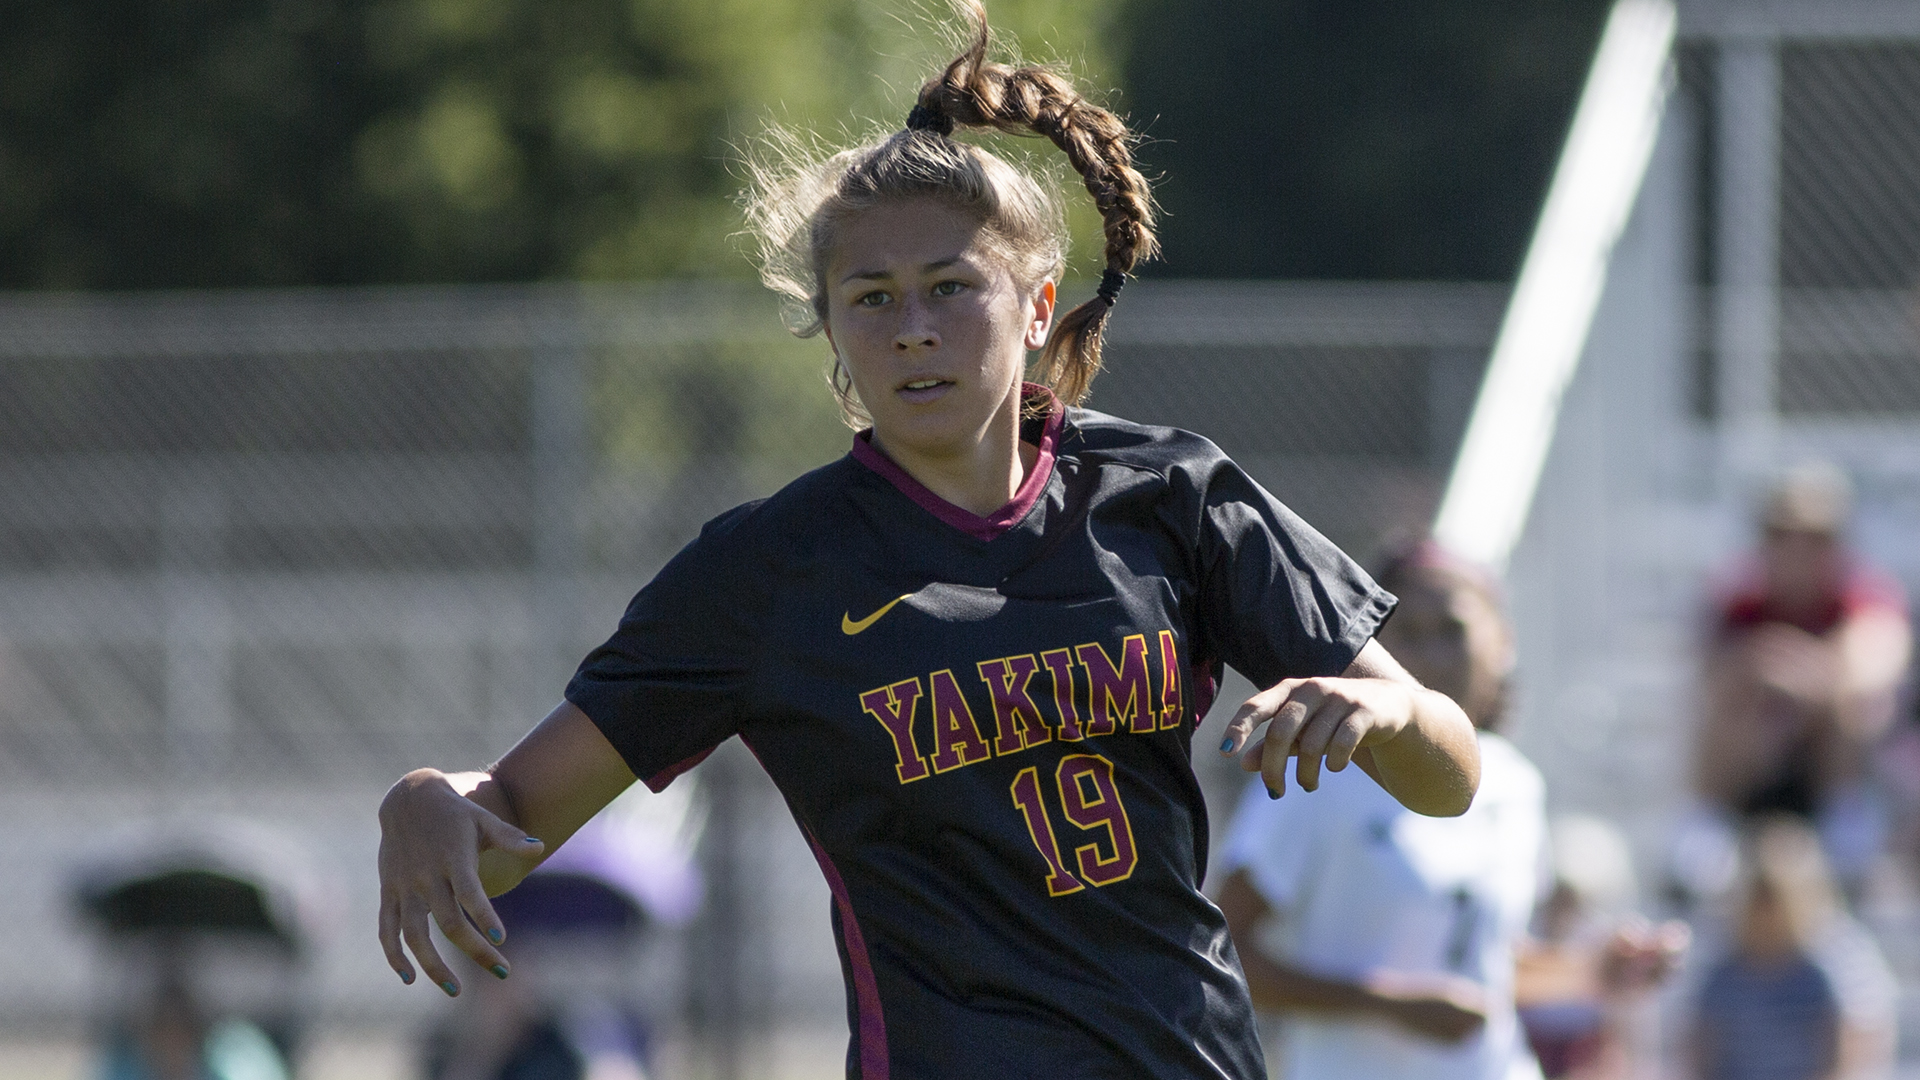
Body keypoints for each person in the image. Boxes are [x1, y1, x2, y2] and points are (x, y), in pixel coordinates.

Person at [376, 7, 1482, 1077]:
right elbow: (515, 811)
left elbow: (1451, 771)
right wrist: (428, 799)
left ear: (1039, 304)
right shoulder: (768, 571)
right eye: (871, 297)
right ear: (830, 326)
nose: (912, 328)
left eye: (952, 288)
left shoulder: (1172, 494)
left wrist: (1391, 708)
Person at [1215, 541, 1545, 1079]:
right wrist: (1388, 1004)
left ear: (1501, 643)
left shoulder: (1518, 782)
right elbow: (1226, 954)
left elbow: (1488, 963)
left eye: (1453, 631)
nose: (1432, 656)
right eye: (1408, 636)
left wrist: (1597, 971)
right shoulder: (1321, 770)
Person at [1690, 463, 1910, 888]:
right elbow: (1713, 679)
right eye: (1781, 534)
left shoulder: (1865, 598)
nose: (1796, 549)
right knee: (1731, 705)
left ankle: (1845, 838)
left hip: (1844, 765)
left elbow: (1868, 676)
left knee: (1853, 708)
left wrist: (1787, 670)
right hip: (1758, 757)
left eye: (1815, 537)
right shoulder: (1740, 604)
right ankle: (1705, 832)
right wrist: (1763, 672)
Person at [1515, 815, 1688, 1080]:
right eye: (1560, 893)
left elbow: (1631, 1049)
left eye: (1574, 897)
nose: (1564, 907)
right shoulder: (1522, 933)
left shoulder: (1611, 945)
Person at [1691, 818, 1862, 1080]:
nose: (1765, 915)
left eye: (1774, 901)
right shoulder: (1721, 978)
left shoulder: (1817, 977)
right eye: (1758, 901)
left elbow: (1836, 1060)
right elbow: (1702, 1054)